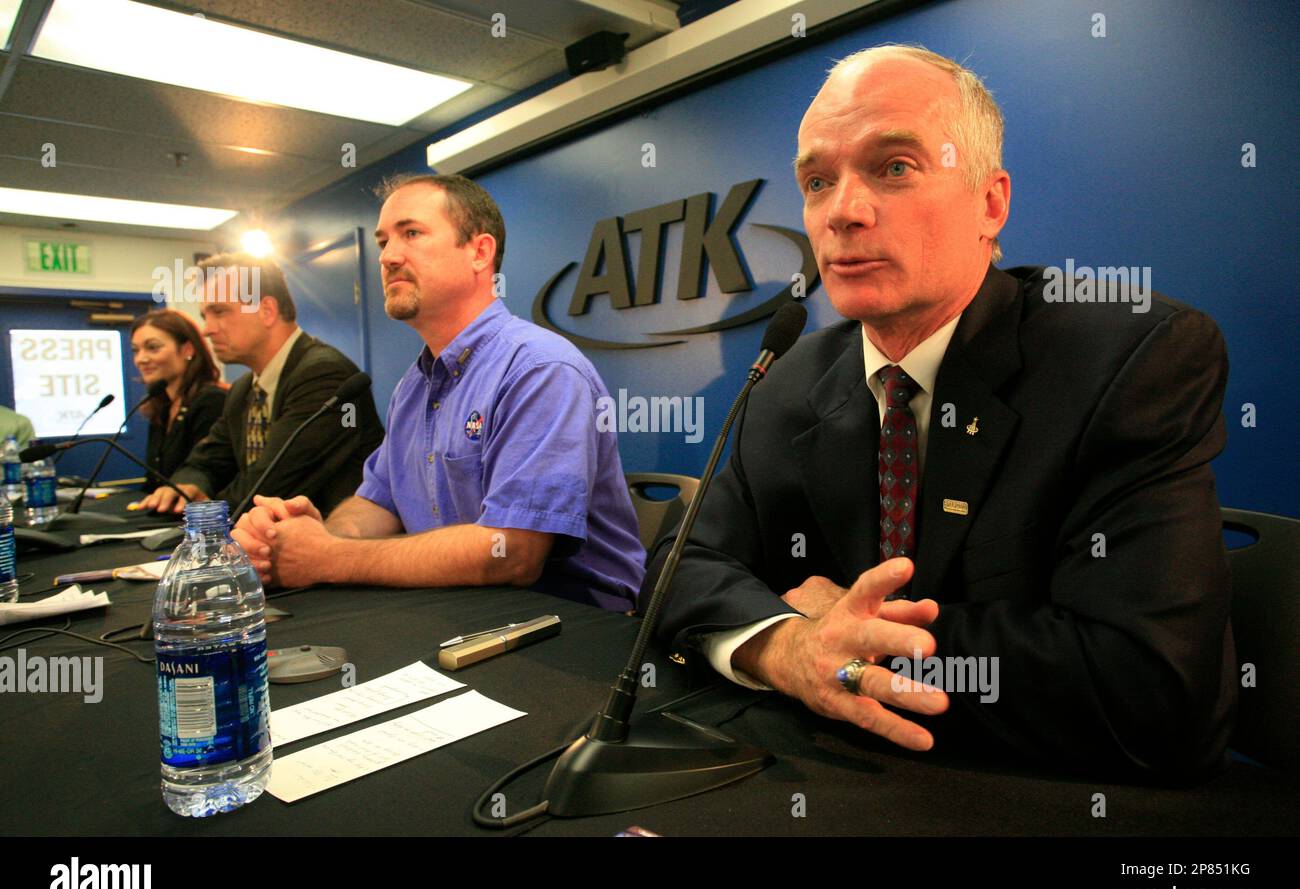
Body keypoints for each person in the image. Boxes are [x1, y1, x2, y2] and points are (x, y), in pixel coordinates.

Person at [641, 45, 1236, 781]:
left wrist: (852, 643)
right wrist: (789, 647)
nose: (843, 213)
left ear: (991, 203)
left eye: (893, 167)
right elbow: (676, 566)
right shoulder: (787, 382)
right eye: (817, 181)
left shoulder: (1129, 360)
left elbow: (1152, 690)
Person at [232, 174, 645, 612]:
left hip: (572, 628)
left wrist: (330, 557)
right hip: (455, 611)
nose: (389, 257)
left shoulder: (540, 369)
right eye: (382, 241)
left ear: (479, 252)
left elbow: (513, 554)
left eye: (411, 233)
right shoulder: (414, 386)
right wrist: (317, 536)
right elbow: (377, 502)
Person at [138, 252, 383, 515]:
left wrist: (204, 514)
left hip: (336, 543)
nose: (207, 329)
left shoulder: (325, 374)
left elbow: (272, 481)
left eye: (219, 312)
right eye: (204, 315)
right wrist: (186, 486)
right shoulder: (245, 389)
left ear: (266, 311)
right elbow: (207, 458)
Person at [129, 309, 227, 491]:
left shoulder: (211, 401)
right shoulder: (160, 405)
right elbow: (154, 481)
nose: (141, 359)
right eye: (136, 350)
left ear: (187, 350)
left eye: (153, 347)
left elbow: (210, 475)